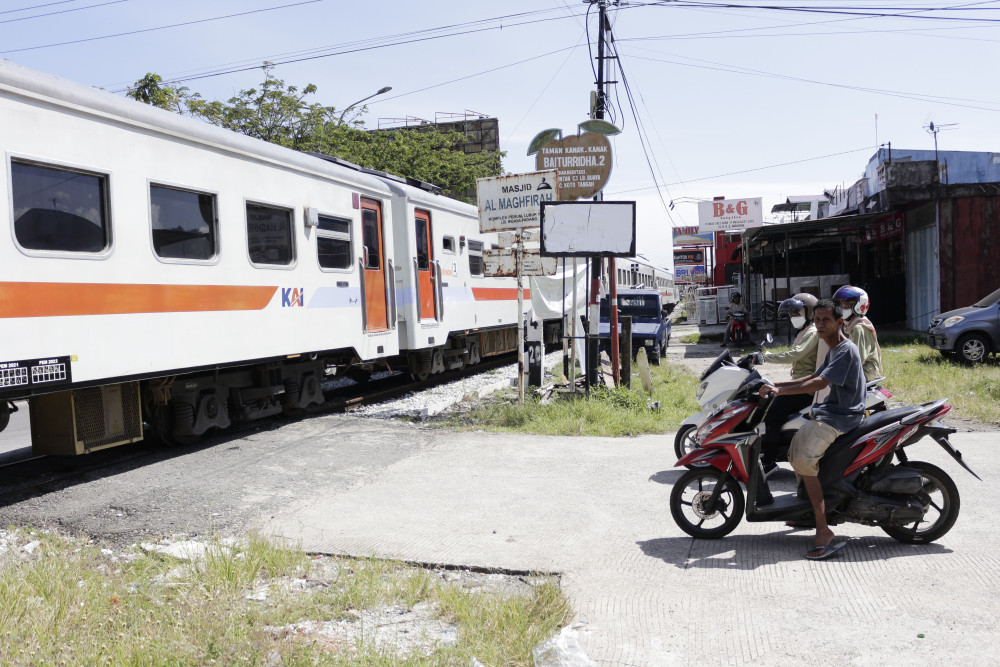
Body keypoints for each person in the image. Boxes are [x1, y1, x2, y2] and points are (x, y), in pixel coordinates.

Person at [758, 299, 865, 560]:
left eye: (825, 320)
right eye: (816, 320)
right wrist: (771, 383)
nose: (819, 325)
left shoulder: (845, 350)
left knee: (803, 458)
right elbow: (810, 377)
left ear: (840, 322)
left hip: (842, 418)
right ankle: (807, 512)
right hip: (831, 413)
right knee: (795, 449)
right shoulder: (833, 349)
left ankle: (823, 529)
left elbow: (819, 383)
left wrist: (780, 391)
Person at [758, 293, 820, 479]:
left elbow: (794, 355)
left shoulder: (812, 332)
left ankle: (768, 462)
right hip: (800, 382)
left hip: (805, 386)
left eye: (797, 313)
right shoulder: (804, 331)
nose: (793, 317)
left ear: (809, 312)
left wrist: (765, 356)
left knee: (772, 417)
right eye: (791, 314)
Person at [833, 285, 883, 382]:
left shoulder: (857, 328)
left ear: (858, 307)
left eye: (846, 306)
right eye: (841, 306)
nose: (842, 309)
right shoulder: (853, 324)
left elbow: (858, 358)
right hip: (862, 369)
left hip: (866, 371)